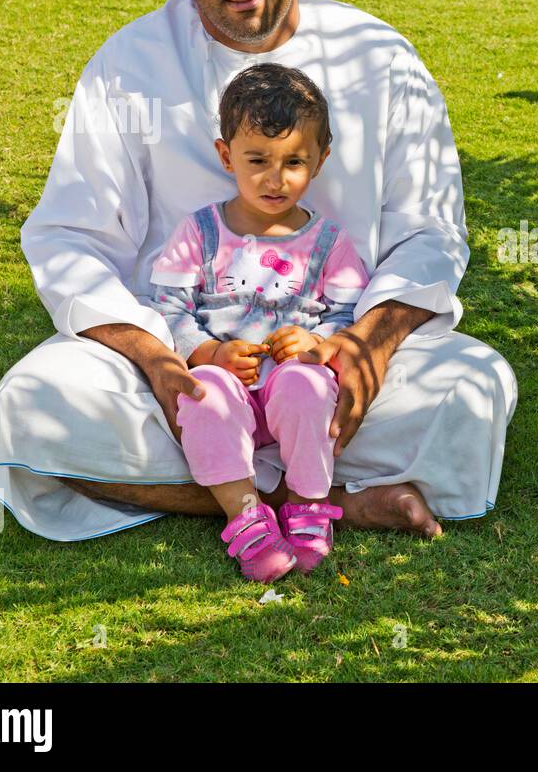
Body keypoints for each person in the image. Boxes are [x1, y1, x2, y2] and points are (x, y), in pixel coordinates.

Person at [0, 0, 516, 542]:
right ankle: (330, 502)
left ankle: (234, 488)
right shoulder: (129, 64)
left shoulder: (380, 57)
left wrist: (365, 348)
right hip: (184, 359)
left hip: (334, 349)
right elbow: (69, 236)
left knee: (476, 384)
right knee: (36, 399)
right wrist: (160, 364)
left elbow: (429, 231)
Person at [148, 62, 371, 582]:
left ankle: (308, 507)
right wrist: (209, 353)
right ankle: (245, 518)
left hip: (292, 392)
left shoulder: (327, 243)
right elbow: (169, 306)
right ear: (226, 156)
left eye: (294, 161)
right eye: (258, 160)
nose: (276, 179)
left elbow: (346, 315)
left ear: (321, 160)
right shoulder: (201, 232)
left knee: (307, 385)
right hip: (230, 385)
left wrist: (317, 342)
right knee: (202, 392)